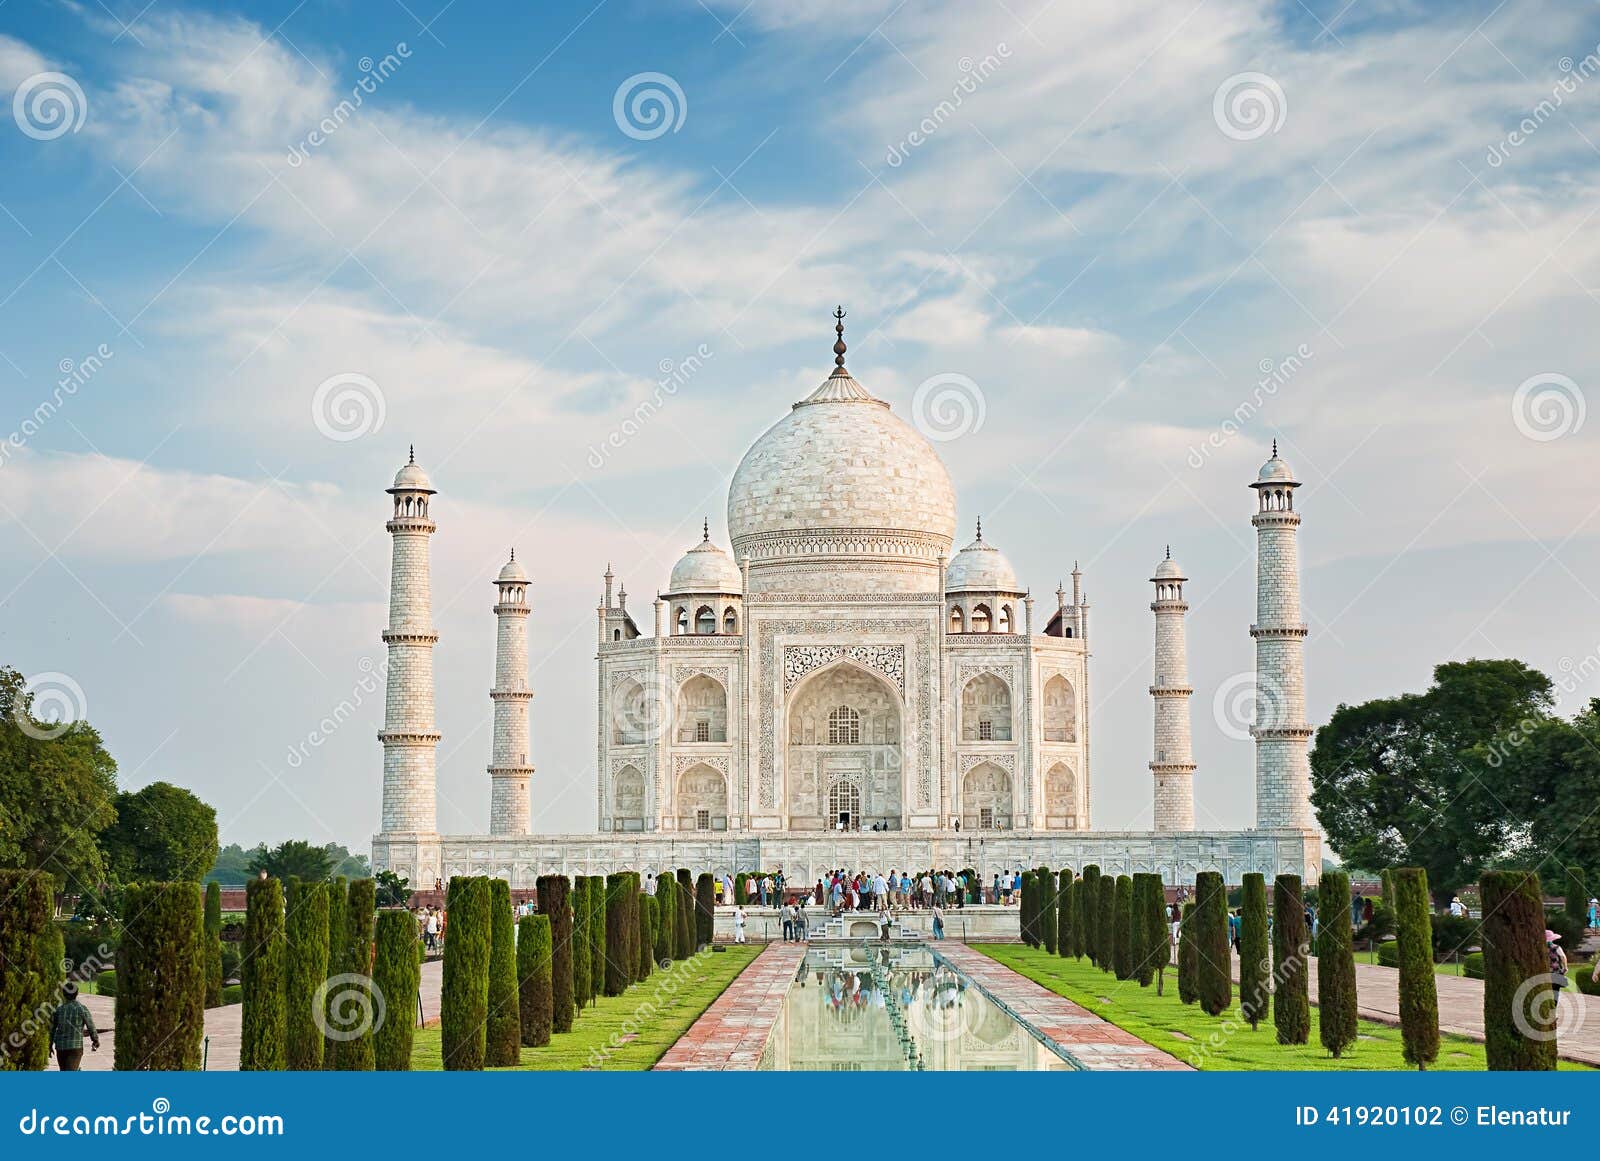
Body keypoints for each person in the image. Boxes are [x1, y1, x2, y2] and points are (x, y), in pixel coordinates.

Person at [49, 982, 99, 1070]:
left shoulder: (59, 1010)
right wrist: (95, 1040)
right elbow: (90, 1026)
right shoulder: (82, 1009)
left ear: (64, 994)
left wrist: (49, 1045)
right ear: (77, 994)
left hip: (61, 1047)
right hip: (75, 1047)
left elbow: (52, 1029)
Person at [1547, 929, 1569, 998]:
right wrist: (1565, 967)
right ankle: (1554, 1006)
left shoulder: (1538, 947)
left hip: (1543, 972)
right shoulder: (1556, 947)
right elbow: (1563, 957)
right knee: (1555, 991)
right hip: (1555, 972)